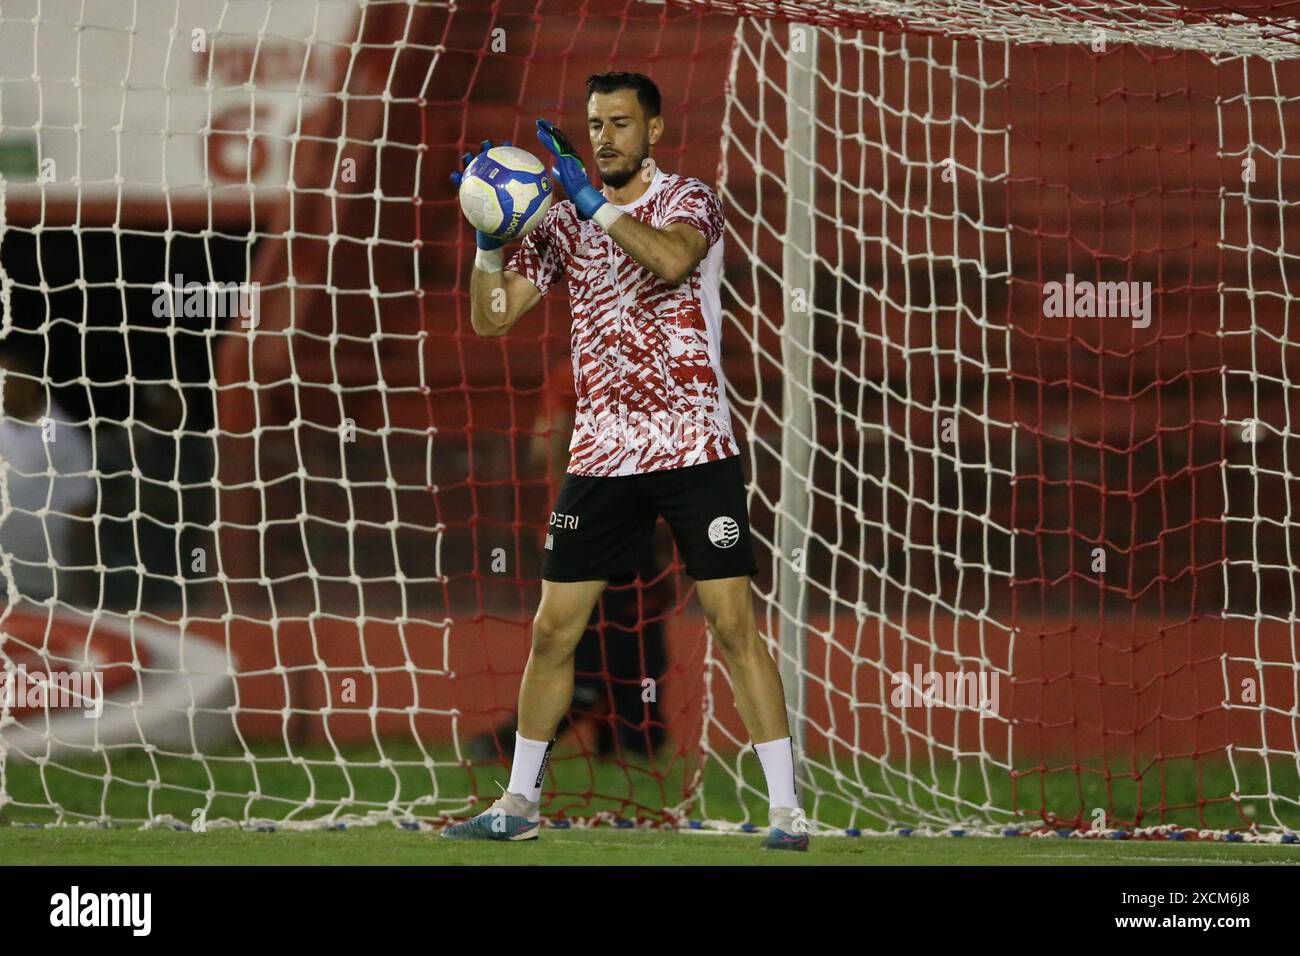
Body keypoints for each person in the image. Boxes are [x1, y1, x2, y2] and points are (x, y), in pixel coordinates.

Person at [444, 72, 806, 849]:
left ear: (655, 131)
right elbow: (495, 320)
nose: (604, 136)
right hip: (604, 453)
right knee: (553, 631)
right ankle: (517, 805)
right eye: (595, 123)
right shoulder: (563, 223)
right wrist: (489, 243)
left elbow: (672, 261)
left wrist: (591, 204)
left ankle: (786, 809)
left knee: (733, 622)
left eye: (619, 122)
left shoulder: (689, 199)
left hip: (693, 444)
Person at [467, 358, 670, 762]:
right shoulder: (656, 362)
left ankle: (624, 734)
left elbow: (542, 447)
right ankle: (516, 740)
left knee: (630, 636)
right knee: (602, 644)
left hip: (595, 526)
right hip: (608, 527)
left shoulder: (577, 367)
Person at [0, 341, 96, 605]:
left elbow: (80, 513)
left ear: (30, 382)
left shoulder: (57, 433)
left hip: (44, 584)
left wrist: (83, 583)